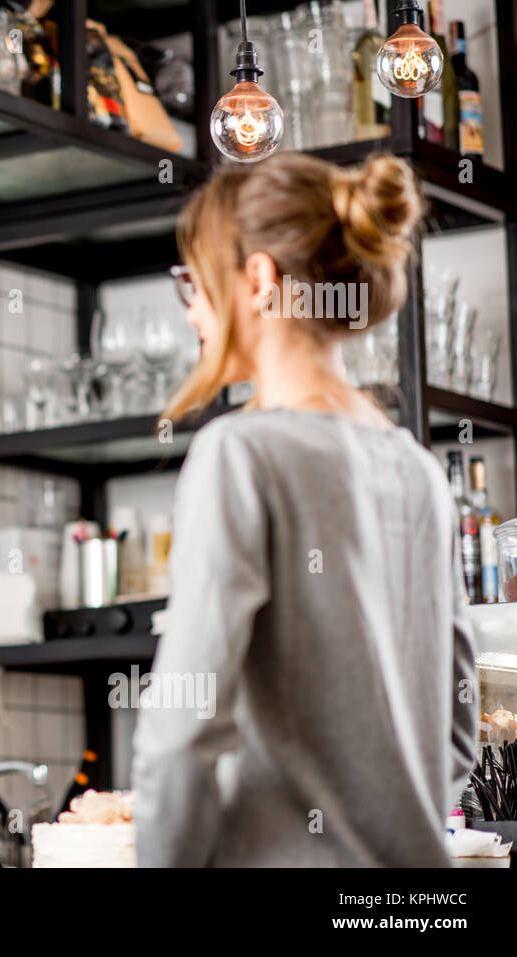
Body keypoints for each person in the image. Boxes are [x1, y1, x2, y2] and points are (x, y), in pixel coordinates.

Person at [131, 152, 478, 866]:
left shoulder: (241, 454)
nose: (193, 308)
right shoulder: (418, 468)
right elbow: (458, 733)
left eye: (193, 281)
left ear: (257, 281)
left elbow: (185, 727)